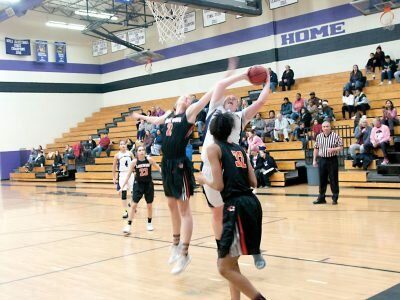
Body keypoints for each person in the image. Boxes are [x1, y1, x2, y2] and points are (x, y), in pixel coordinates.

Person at [131, 60, 240, 275]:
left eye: (188, 96)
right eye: (184, 96)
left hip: (180, 165)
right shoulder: (169, 115)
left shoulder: (189, 112)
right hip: (166, 165)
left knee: (183, 210)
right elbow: (155, 120)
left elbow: (211, 92)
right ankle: (174, 244)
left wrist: (228, 75)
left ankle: (184, 253)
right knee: (171, 206)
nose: (186, 97)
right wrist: (141, 116)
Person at [201, 59, 269, 271]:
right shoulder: (214, 109)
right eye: (228, 98)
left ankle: (254, 248)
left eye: (234, 99)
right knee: (217, 213)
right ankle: (221, 250)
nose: (230, 98)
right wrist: (244, 76)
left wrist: (266, 82)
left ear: (237, 105)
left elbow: (259, 103)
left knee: (245, 209)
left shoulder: (239, 117)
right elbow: (220, 86)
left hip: (231, 165)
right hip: (210, 163)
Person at [197, 112, 266, 300]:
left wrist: (204, 179)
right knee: (232, 263)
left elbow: (218, 185)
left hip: (236, 206)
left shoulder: (212, 149)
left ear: (211, 130)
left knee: (223, 267)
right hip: (252, 203)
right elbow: (254, 182)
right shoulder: (240, 149)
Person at [122, 145, 161, 234]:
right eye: (139, 150)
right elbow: (128, 175)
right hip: (138, 185)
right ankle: (128, 225)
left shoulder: (150, 160)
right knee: (134, 205)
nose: (141, 151)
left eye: (143, 150)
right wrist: (122, 187)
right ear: (137, 152)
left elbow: (159, 168)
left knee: (149, 205)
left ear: (145, 152)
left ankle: (149, 223)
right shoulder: (134, 162)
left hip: (148, 185)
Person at [313, 122, 343, 205]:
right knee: (322, 179)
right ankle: (321, 198)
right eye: (324, 126)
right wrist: (314, 160)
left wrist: (334, 149)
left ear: (330, 127)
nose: (325, 128)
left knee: (333, 179)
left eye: (327, 126)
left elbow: (341, 147)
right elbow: (316, 148)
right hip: (322, 159)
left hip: (332, 159)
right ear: (322, 128)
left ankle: (335, 198)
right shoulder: (318, 136)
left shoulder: (336, 136)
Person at [112, 140, 135, 219]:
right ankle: (125, 211)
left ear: (126, 145)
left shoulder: (130, 153)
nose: (123, 145)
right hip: (122, 174)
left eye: (124, 144)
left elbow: (135, 162)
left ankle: (132, 203)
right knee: (124, 193)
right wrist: (114, 177)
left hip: (130, 173)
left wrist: (136, 172)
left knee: (133, 192)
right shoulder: (117, 155)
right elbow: (114, 167)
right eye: (121, 144)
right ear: (119, 146)